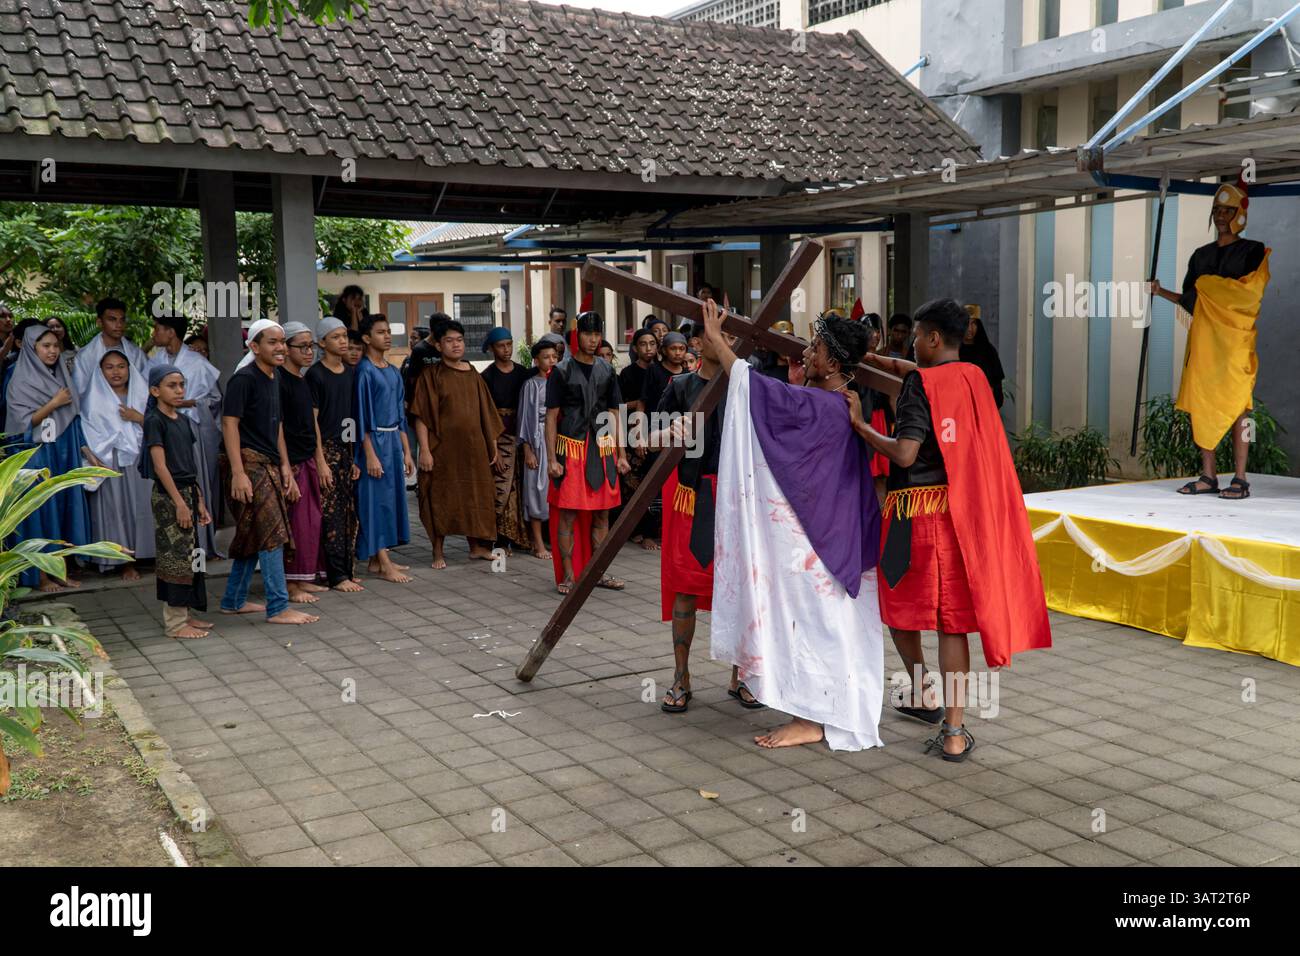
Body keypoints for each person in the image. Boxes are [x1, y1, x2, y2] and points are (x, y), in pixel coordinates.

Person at [852, 298, 1052, 760]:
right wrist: (876, 359)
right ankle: (955, 731)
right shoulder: (974, 377)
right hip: (957, 514)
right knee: (951, 625)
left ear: (933, 338)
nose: (914, 342)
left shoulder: (922, 383)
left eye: (918, 335)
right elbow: (913, 371)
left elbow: (902, 454)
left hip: (911, 514)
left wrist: (861, 426)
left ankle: (923, 688)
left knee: (896, 603)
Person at [704, 303, 884, 751]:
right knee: (823, 623)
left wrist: (716, 338)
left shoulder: (820, 404)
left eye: (817, 347)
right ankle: (820, 711)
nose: (807, 352)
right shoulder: (840, 403)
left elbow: (753, 388)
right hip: (834, 532)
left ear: (835, 363)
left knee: (813, 622)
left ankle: (813, 719)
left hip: (818, 537)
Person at [650, 320, 758, 714]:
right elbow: (644, 438)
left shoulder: (746, 384)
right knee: (685, 587)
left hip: (737, 500)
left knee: (741, 586)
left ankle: (741, 673)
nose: (729, 342)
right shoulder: (680, 387)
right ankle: (681, 676)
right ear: (699, 342)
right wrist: (668, 433)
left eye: (731, 337)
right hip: (690, 499)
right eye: (722, 335)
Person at [1151, 179, 1269, 500]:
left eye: (1227, 210)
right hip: (1203, 341)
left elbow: (1249, 294)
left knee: (1238, 406)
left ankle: (1241, 478)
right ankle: (1208, 475)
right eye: (1217, 209)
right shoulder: (1200, 255)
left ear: (1240, 213)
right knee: (1202, 403)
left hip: (1234, 343)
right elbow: (1192, 299)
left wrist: (1208, 286)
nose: (1220, 215)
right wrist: (1161, 292)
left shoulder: (1252, 250)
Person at [219, 319, 318, 626]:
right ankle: (278, 606)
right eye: (272, 342)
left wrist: (285, 466)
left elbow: (277, 426)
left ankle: (232, 601)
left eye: (281, 342)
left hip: (270, 464)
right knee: (272, 534)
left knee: (251, 533)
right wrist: (238, 472)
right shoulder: (243, 380)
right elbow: (229, 424)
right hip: (247, 465)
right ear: (254, 347)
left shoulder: (273, 378)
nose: (280, 347)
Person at [545, 311, 630, 593]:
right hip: (570, 447)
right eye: (587, 334)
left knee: (602, 515)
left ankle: (598, 573)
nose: (593, 340)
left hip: (603, 447)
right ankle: (568, 575)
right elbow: (551, 416)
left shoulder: (607, 370)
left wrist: (621, 455)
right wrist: (551, 459)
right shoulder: (561, 371)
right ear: (577, 334)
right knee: (568, 515)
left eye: (597, 334)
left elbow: (614, 413)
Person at [6, 325, 93, 592]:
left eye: (55, 345)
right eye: (45, 346)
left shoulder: (61, 374)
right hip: (35, 454)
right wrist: (53, 403)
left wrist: (86, 451)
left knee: (62, 508)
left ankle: (59, 570)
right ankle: (40, 576)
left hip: (62, 450)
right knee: (40, 512)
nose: (53, 351)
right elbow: (21, 423)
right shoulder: (19, 379)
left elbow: (73, 418)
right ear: (32, 349)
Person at [411, 321, 503, 569]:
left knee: (476, 495)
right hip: (443, 451)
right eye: (449, 340)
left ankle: (476, 547)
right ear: (439, 345)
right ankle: (437, 551)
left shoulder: (472, 372)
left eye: (459, 340)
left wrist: (492, 444)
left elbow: (486, 412)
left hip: (474, 450)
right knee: (441, 497)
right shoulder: (431, 375)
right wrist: (425, 451)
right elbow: (420, 415)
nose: (455, 345)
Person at [141, 365, 213, 639]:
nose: (179, 390)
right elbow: (160, 467)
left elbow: (188, 464)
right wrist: (180, 504)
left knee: (193, 555)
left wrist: (200, 500)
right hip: (169, 497)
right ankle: (174, 623)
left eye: (182, 384)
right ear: (155, 390)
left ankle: (187, 614)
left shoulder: (182, 420)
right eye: (172, 385)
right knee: (175, 557)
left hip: (188, 492)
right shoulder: (154, 421)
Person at [151, 315, 222, 558]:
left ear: (171, 332)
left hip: (192, 428)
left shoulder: (196, 361)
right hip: (163, 427)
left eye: (158, 328)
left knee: (195, 482)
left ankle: (200, 543)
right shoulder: (155, 360)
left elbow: (214, 399)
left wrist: (190, 402)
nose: (154, 333)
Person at [82, 349, 154, 581]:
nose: (116, 372)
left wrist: (138, 418)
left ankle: (145, 554)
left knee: (141, 509)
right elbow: (86, 431)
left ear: (130, 369)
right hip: (110, 462)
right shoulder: (92, 399)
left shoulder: (143, 395)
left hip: (140, 461)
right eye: (110, 367)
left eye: (121, 366)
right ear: (101, 371)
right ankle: (122, 561)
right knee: (117, 512)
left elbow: (160, 423)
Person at [354, 314, 414, 583]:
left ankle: (377, 561)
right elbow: (361, 417)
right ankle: (383, 560)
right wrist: (369, 455)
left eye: (389, 331)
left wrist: (407, 451)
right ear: (367, 338)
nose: (387, 336)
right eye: (380, 332)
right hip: (374, 442)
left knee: (390, 500)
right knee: (374, 501)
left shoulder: (392, 370)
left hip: (392, 441)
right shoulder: (364, 372)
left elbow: (401, 414)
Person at [306, 318, 363, 592]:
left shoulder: (350, 373)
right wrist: (321, 461)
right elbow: (313, 421)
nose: (343, 342)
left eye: (344, 336)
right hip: (325, 449)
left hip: (344, 450)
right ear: (322, 343)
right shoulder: (315, 375)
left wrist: (352, 456)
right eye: (336, 337)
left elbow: (349, 418)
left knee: (347, 513)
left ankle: (346, 570)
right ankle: (335, 575)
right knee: (330, 514)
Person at [280, 321, 328, 604]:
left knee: (311, 521)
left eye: (311, 346)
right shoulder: (279, 381)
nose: (309, 352)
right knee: (295, 524)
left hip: (308, 456)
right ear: (286, 349)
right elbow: (280, 428)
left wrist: (320, 459)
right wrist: (286, 467)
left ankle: (305, 577)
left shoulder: (302, 379)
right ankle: (291, 584)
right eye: (302, 346)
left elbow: (313, 422)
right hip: (292, 462)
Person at [478, 326, 531, 551]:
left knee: (520, 487)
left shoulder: (523, 373)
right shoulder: (486, 377)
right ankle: (498, 537)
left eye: (509, 344)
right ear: (492, 349)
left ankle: (518, 536)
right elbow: (484, 413)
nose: (507, 349)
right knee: (501, 488)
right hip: (498, 438)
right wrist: (494, 449)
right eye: (501, 345)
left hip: (521, 435)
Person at [517, 337, 557, 558]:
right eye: (545, 357)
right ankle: (538, 543)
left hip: (558, 441)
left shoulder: (560, 382)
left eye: (554, 356)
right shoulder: (531, 384)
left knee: (556, 491)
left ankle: (553, 539)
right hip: (537, 440)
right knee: (536, 491)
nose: (551, 361)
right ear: (536, 360)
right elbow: (523, 418)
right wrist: (528, 450)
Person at [73, 297, 148, 393]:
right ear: (100, 322)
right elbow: (80, 391)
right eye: (112, 320)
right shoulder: (85, 356)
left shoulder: (136, 353)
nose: (119, 325)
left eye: (122, 320)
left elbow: (146, 384)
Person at [959, 304, 1005, 409]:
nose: (970, 329)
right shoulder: (953, 350)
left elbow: (997, 387)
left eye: (973, 324)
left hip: (984, 409)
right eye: (966, 324)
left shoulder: (988, 351)